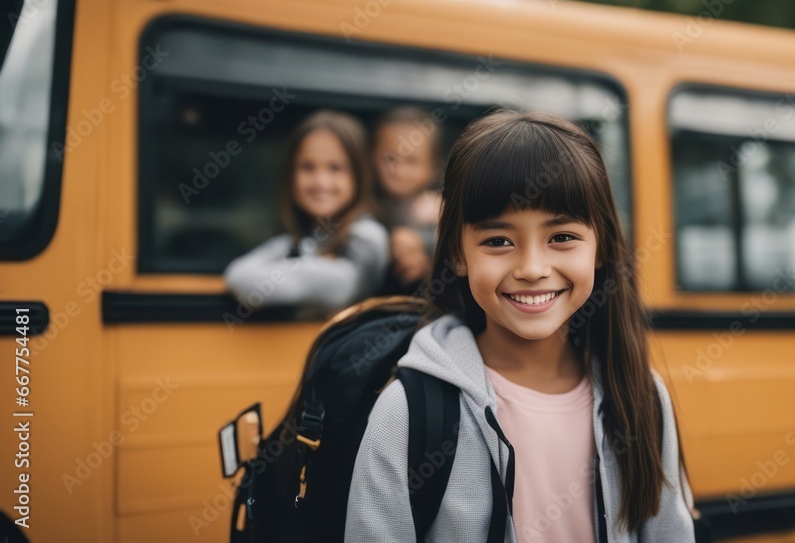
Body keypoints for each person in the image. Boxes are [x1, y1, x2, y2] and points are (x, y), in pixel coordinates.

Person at [345, 111, 696, 542]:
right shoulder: (410, 411)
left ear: (601, 246)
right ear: (457, 254)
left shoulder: (639, 395)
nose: (532, 269)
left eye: (561, 237)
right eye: (498, 241)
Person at [224, 110, 389, 316]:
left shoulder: (368, 235)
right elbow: (236, 274)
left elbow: (340, 286)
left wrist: (297, 259)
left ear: (360, 174)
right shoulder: (301, 239)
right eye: (307, 167)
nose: (321, 182)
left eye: (335, 168)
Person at [371, 107, 442, 295]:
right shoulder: (364, 204)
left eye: (411, 161)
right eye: (390, 159)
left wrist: (422, 244)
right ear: (371, 157)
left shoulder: (437, 210)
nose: (399, 172)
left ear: (432, 167)